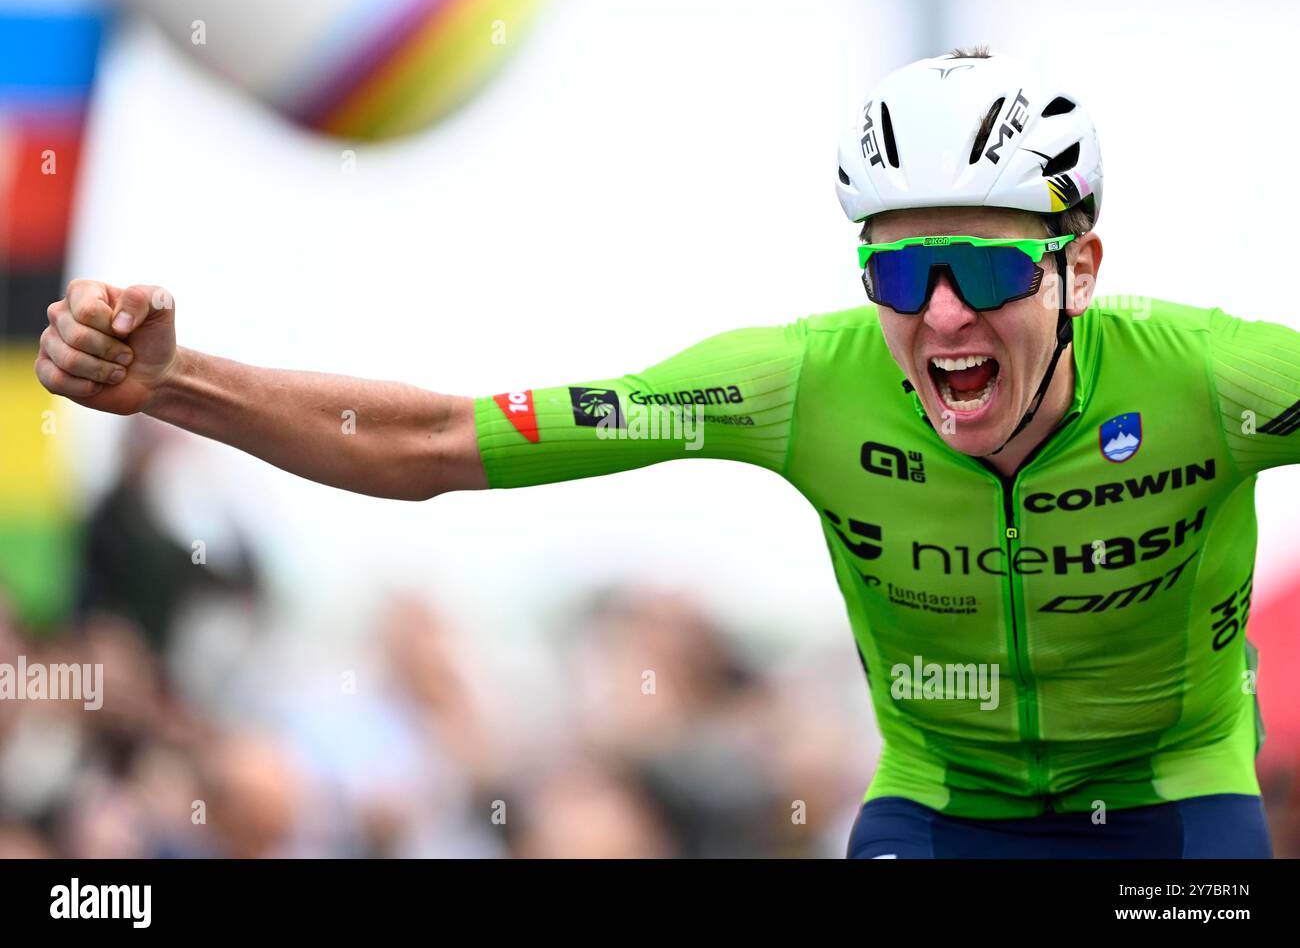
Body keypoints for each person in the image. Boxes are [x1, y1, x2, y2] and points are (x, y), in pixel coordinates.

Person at [35, 47, 1299, 857]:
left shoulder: (1204, 375)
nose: (942, 313)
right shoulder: (803, 383)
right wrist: (174, 384)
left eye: (980, 262)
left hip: (1170, 805)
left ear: (1078, 266)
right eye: (902, 268)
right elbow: (435, 440)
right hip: (943, 807)